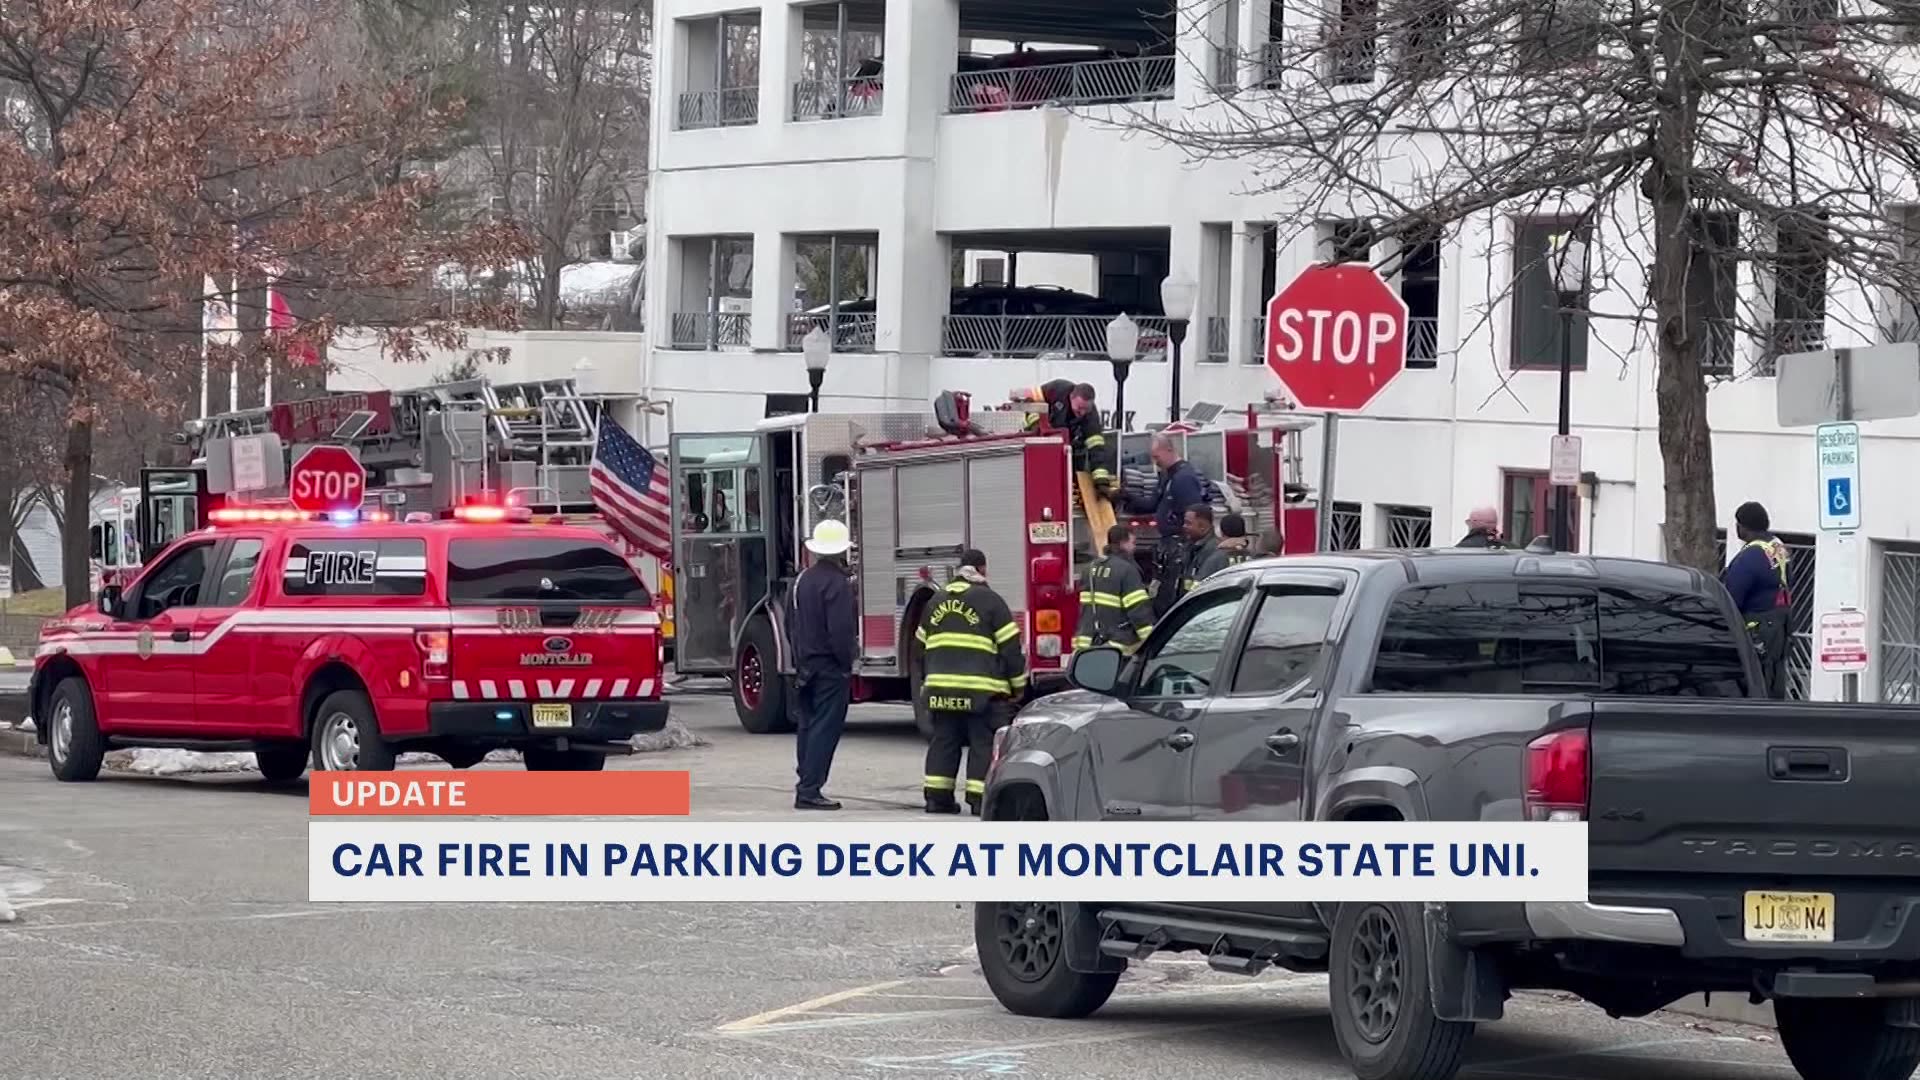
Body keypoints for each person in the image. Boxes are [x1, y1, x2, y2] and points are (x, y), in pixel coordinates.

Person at [916, 549, 1027, 815]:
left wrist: (928, 681)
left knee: (944, 740)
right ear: (982, 569)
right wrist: (1017, 686)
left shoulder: (935, 601)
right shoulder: (991, 601)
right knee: (982, 742)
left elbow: (920, 647)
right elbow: (1011, 650)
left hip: (941, 689)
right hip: (982, 691)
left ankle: (937, 798)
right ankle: (979, 800)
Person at [790, 519, 858, 810]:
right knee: (824, 728)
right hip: (830, 667)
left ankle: (805, 781)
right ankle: (810, 789)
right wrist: (847, 664)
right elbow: (841, 631)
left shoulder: (801, 580)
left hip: (804, 665)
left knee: (807, 725)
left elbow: (789, 623)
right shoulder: (837, 584)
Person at [1124, 434, 1210, 616]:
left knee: (1169, 595)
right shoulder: (1167, 476)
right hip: (1167, 544)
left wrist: (1185, 546)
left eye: (1157, 457)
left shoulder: (1184, 478)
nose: (1155, 462)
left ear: (1169, 450)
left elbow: (1194, 516)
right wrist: (1126, 497)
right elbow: (1152, 504)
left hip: (1178, 546)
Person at [1723, 501, 1791, 699]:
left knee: (1755, 681)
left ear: (1743, 526)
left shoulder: (1749, 558)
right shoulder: (1777, 547)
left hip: (1757, 629)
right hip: (1779, 625)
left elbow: (1732, 599)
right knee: (1773, 679)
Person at [1010, 380, 1114, 492]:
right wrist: (1037, 426)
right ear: (1071, 397)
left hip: (1068, 454)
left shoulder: (1090, 415)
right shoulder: (1057, 389)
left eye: (1086, 409)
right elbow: (1029, 400)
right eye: (1080, 407)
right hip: (1040, 447)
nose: (1083, 413)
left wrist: (1101, 480)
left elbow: (1097, 449)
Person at [1072, 524, 1154, 653]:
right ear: (1122, 543)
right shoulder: (1127, 570)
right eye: (1132, 543)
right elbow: (1138, 610)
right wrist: (1152, 642)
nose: (1134, 547)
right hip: (1116, 645)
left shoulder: (1090, 568)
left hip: (1086, 643)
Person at [1175, 504, 1219, 602]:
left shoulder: (1212, 551)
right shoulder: (1189, 547)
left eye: (1188, 523)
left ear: (1203, 526)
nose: (1184, 526)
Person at [1195, 512, 1256, 579]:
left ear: (1221, 533)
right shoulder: (1253, 557)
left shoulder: (1215, 559)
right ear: (1244, 532)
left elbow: (1201, 584)